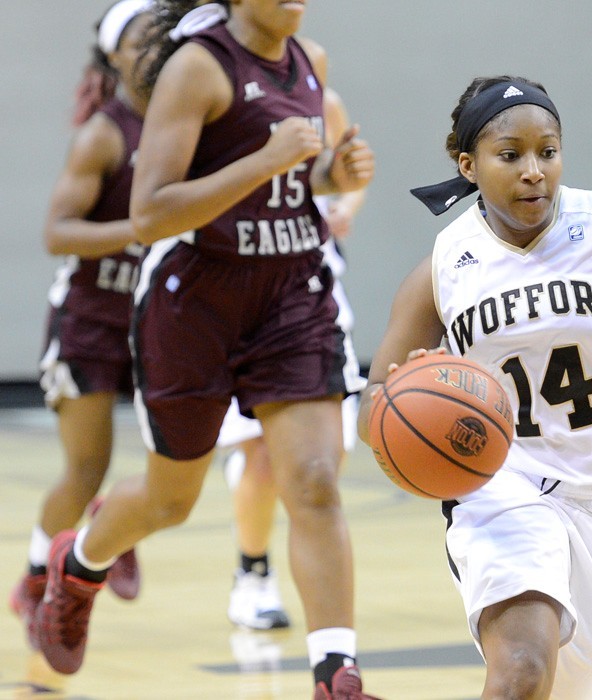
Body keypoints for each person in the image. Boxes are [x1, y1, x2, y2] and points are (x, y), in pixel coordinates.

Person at [33, 3, 382, 699]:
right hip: (197, 302)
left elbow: (289, 187)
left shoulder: (307, 62)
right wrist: (264, 161)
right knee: (171, 500)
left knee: (313, 480)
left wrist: (331, 179)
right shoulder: (198, 66)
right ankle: (80, 562)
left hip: (291, 294)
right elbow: (151, 212)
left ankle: (335, 674)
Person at [361, 76, 592, 699]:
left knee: (550, 692)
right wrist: (409, 401)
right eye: (510, 156)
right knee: (521, 675)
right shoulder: (442, 268)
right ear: (469, 165)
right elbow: (375, 400)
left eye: (549, 151)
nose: (534, 170)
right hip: (503, 488)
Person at [9, 0, 154, 649]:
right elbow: (56, 231)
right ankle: (37, 581)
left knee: (174, 466)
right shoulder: (106, 132)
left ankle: (107, 524)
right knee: (85, 465)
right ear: (115, 57)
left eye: (166, 35)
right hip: (92, 320)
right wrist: (141, 228)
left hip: (162, 317)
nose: (158, 47)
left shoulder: (198, 120)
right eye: (142, 38)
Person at [219, 86, 371, 632]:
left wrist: (343, 206)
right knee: (262, 461)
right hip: (236, 294)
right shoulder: (209, 92)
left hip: (310, 288)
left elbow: (350, 172)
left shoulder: (319, 95)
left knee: (319, 468)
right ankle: (252, 573)